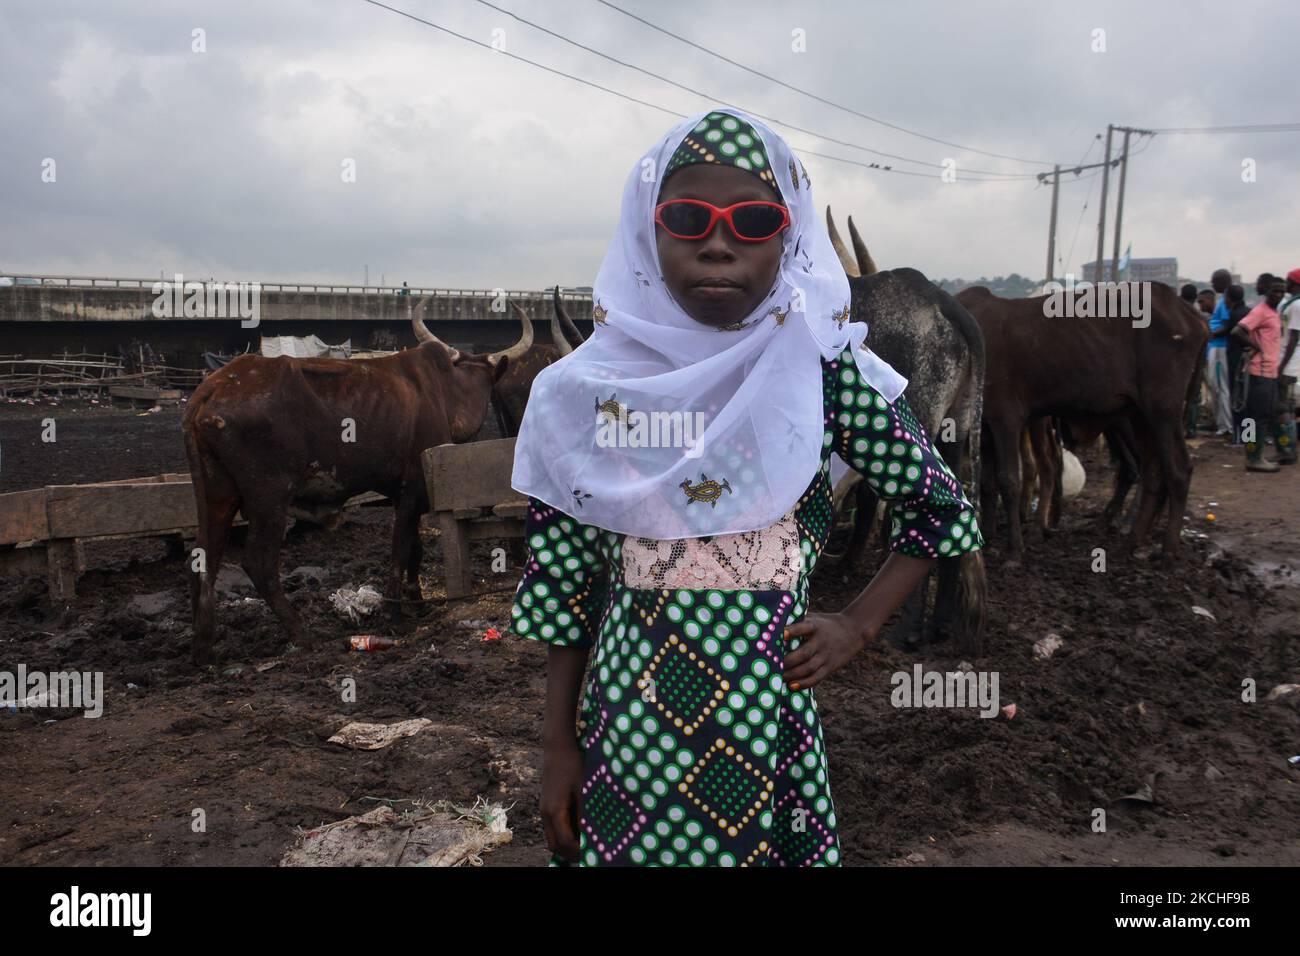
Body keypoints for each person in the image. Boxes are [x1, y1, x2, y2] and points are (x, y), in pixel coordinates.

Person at [509, 107, 982, 867]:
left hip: (770, 736)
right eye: (687, 218)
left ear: (789, 238)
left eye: (755, 221)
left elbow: (938, 511)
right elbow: (568, 591)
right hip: (628, 742)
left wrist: (857, 625)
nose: (719, 243)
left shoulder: (819, 377)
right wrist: (558, 746)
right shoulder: (588, 395)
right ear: (647, 231)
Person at [1231, 278, 1286, 472]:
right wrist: (1255, 347)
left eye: (1281, 291)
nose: (1278, 295)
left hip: (1269, 372)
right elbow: (1237, 331)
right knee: (1256, 417)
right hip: (1258, 372)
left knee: (1260, 416)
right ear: (1267, 292)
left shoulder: (1274, 313)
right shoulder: (1260, 311)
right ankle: (1253, 458)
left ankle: (1253, 455)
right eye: (1275, 291)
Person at [1274, 267, 1300, 464]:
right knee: (1286, 408)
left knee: (1285, 408)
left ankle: (1287, 450)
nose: (1286, 285)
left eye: (1289, 281)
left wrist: (1281, 366)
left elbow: (1293, 338)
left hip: (1290, 363)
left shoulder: (1296, 305)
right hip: (1289, 361)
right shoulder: (1291, 304)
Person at [1206, 271, 1234, 436]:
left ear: (1222, 282)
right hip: (1216, 347)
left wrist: (1207, 334)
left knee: (1220, 387)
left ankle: (1226, 426)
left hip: (1219, 347)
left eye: (1214, 282)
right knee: (1217, 387)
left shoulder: (1225, 302)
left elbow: (1226, 326)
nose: (1212, 285)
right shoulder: (1223, 301)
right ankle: (1222, 424)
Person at [1223, 285, 1250, 444]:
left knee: (1236, 400)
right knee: (1248, 401)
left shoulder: (1235, 315)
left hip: (1236, 362)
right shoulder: (1249, 311)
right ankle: (1249, 438)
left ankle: (1237, 437)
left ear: (1229, 298)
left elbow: (1233, 336)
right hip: (1248, 362)